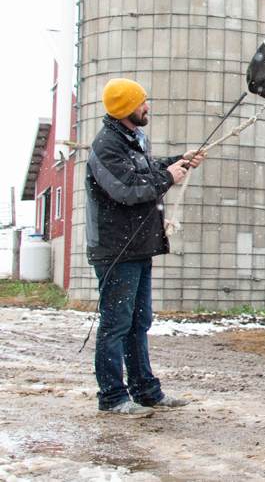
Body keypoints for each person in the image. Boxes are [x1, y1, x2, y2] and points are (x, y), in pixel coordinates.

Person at [86, 78, 206, 417]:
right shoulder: (106, 145)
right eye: (142, 103)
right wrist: (169, 177)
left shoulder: (132, 138)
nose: (147, 107)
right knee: (116, 325)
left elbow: (144, 171)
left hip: (137, 248)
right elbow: (127, 189)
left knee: (139, 322)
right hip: (116, 252)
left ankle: (145, 391)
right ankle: (111, 397)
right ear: (126, 110)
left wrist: (178, 160)